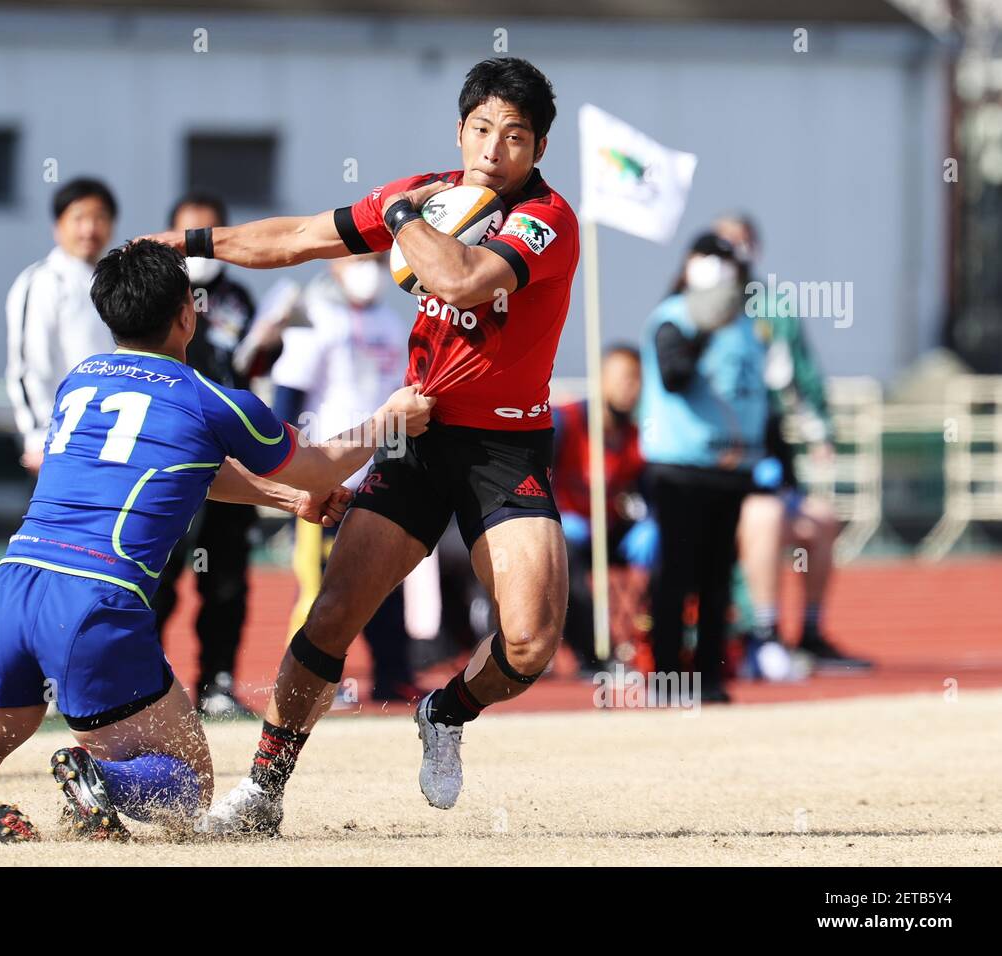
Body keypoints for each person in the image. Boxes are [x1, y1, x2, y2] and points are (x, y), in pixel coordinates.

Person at [137, 56, 579, 832]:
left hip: (507, 448)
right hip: (419, 430)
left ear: (538, 149)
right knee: (335, 610)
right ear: (460, 129)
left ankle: (445, 709)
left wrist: (406, 221)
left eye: (515, 137)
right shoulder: (427, 190)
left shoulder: (546, 218)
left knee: (532, 640)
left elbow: (464, 280)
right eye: (482, 129)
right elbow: (299, 238)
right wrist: (187, 242)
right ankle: (262, 793)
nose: (494, 148)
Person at [0, 239, 434, 843]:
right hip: (96, 602)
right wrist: (390, 418)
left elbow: (189, 468)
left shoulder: (79, 383)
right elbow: (319, 465)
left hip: (13, 585)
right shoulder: (212, 402)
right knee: (188, 783)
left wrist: (286, 500)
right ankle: (99, 778)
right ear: (189, 313)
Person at [712, 213, 872, 674]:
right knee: (758, 522)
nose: (733, 252)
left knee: (819, 522)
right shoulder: (695, 308)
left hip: (766, 448)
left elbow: (801, 374)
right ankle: (755, 634)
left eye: (741, 242)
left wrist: (820, 431)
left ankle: (812, 633)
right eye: (724, 242)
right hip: (713, 455)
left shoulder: (772, 308)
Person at [269, 253, 424, 703]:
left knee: (386, 581)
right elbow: (286, 398)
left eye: (377, 260)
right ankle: (303, 684)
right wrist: (291, 472)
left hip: (383, 473)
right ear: (335, 264)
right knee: (322, 587)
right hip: (327, 478)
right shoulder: (312, 316)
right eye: (359, 259)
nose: (368, 269)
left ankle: (393, 676)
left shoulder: (395, 323)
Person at [152, 194, 279, 720]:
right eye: (188, 233)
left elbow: (248, 369)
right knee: (158, 576)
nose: (199, 243)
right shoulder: (158, 297)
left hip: (230, 460)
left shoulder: (239, 299)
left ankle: (218, 684)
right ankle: (141, 683)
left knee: (226, 580)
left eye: (208, 232)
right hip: (173, 459)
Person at [638, 233, 769, 704]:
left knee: (717, 579)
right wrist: (705, 323)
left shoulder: (747, 326)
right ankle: (668, 678)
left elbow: (755, 393)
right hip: (680, 468)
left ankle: (711, 679)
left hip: (731, 469)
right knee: (676, 575)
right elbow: (674, 377)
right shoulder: (673, 318)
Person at [550, 344, 653, 673]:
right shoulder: (566, 421)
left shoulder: (635, 438)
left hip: (609, 531)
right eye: (623, 378)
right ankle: (592, 652)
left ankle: (657, 642)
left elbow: (645, 493)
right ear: (602, 380)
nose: (630, 388)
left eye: (637, 380)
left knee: (662, 540)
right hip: (570, 530)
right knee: (566, 548)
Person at [6, 178, 119, 474]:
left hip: (113, 439)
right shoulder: (44, 280)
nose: (89, 229)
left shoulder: (116, 282)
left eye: (100, 218)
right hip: (61, 443)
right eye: (79, 218)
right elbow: (27, 366)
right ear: (58, 225)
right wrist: (37, 437)